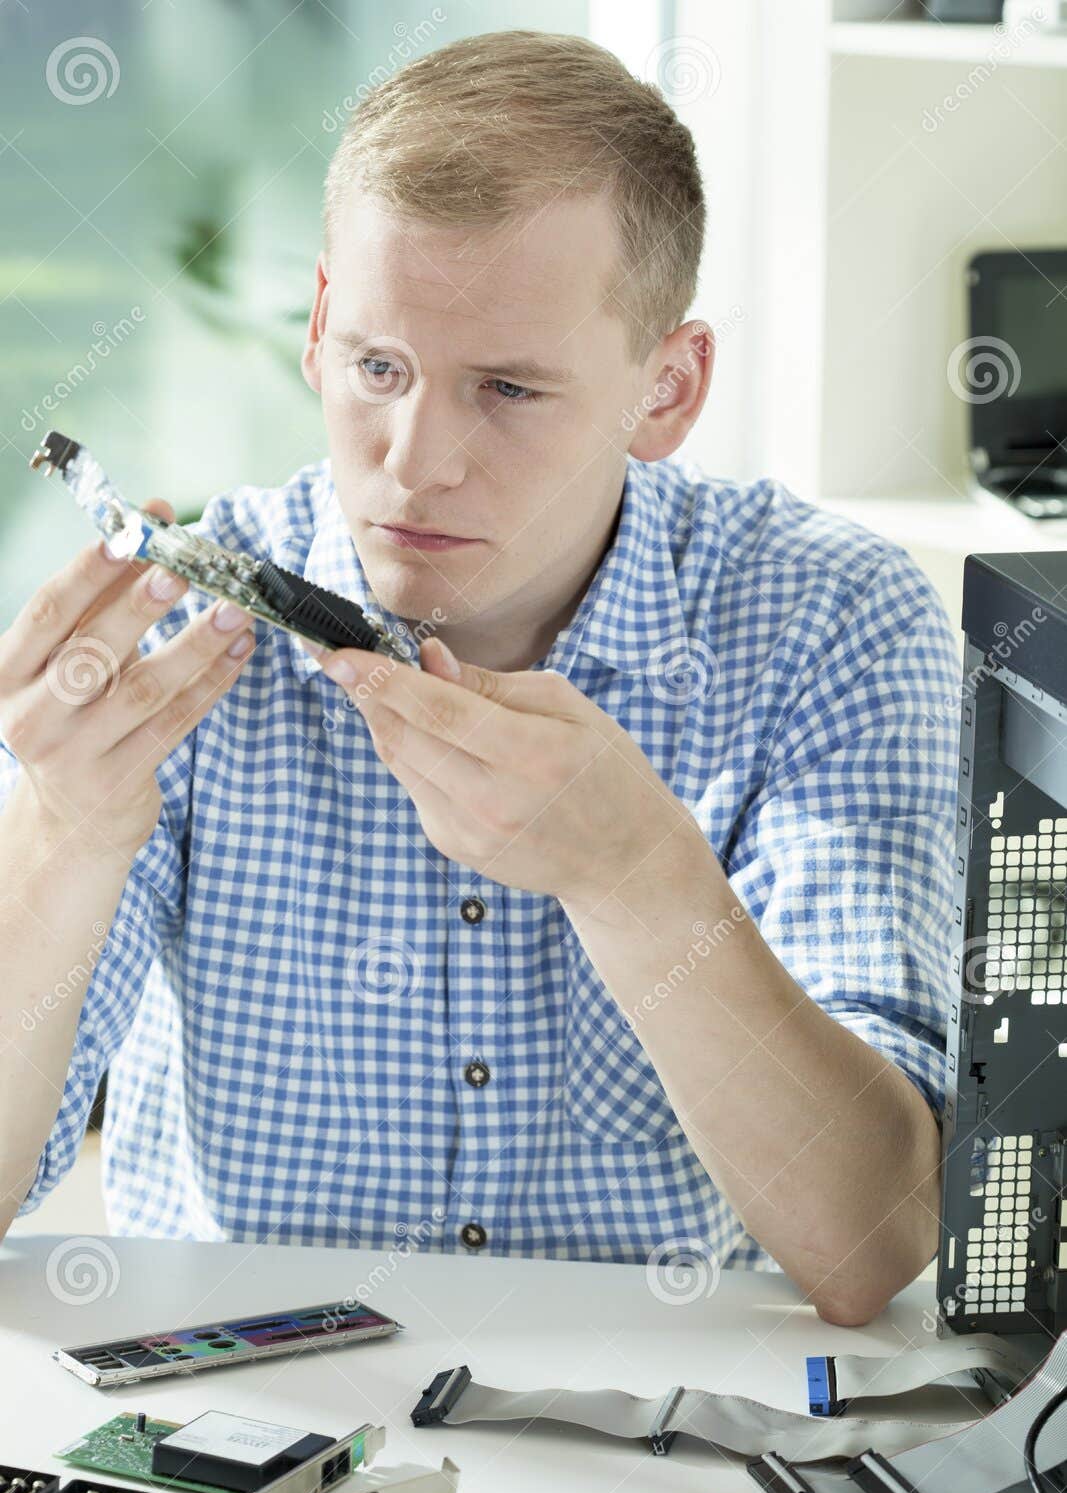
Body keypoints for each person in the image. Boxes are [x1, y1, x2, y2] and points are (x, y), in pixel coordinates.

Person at [0, 31, 960, 1325]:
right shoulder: (172, 644)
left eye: (506, 387)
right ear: (319, 330)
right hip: (240, 1428)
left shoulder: (830, 620)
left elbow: (872, 1240)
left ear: (667, 388)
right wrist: (59, 835)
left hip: (675, 1448)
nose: (415, 461)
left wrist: (637, 877)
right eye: (378, 367)